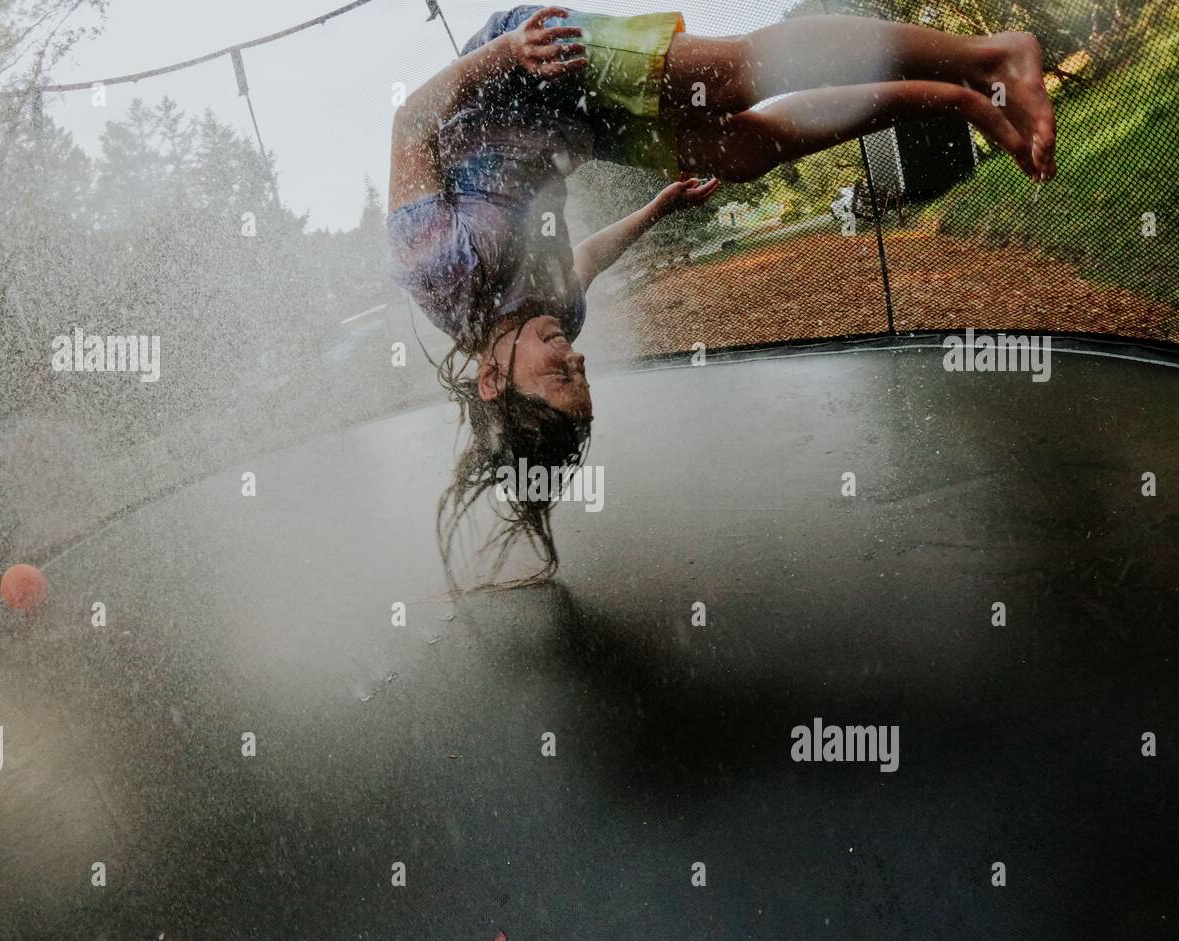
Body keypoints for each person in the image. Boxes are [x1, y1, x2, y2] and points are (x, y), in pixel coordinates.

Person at [387, 6, 1056, 587]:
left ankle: (992, 54)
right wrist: (657, 210)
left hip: (520, 67)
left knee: (734, 77)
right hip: (575, 132)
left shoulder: (440, 271)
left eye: (558, 374)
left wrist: (506, 52)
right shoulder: (558, 317)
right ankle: (961, 98)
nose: (577, 360)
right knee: (744, 150)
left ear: (492, 377)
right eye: (581, 376)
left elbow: (410, 125)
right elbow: (586, 259)